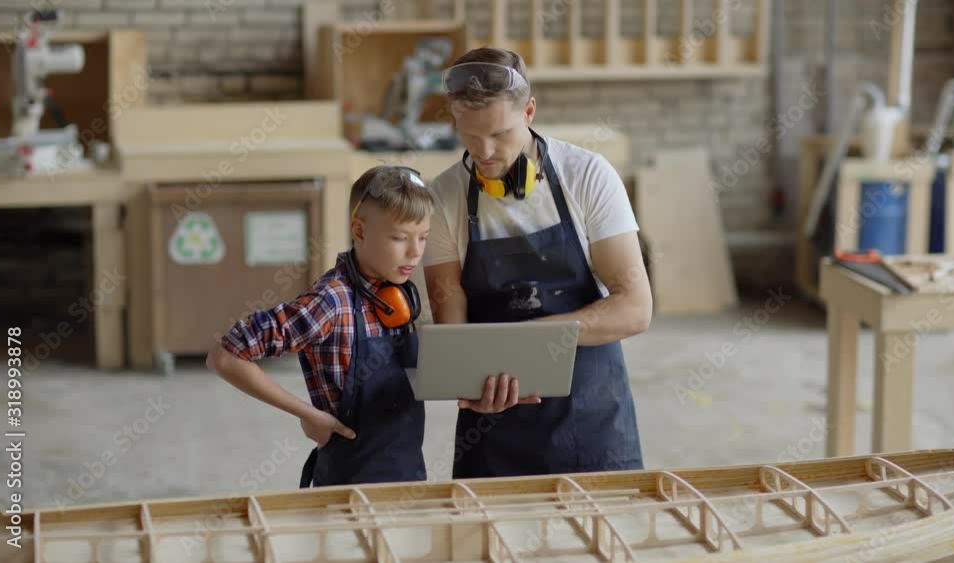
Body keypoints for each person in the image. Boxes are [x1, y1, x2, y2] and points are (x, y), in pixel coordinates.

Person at [423, 47, 653, 479]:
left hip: (593, 417)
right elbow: (451, 330)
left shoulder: (587, 176)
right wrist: (469, 386)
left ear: (529, 111)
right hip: (492, 425)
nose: (485, 152)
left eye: (500, 134)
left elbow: (635, 308)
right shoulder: (445, 197)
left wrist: (531, 342)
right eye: (470, 137)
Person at [207, 165, 435, 487]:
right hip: (347, 487)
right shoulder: (331, 302)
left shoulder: (398, 295)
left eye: (423, 237)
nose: (415, 252)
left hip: (408, 478)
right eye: (400, 238)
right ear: (359, 231)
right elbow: (225, 356)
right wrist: (308, 414)